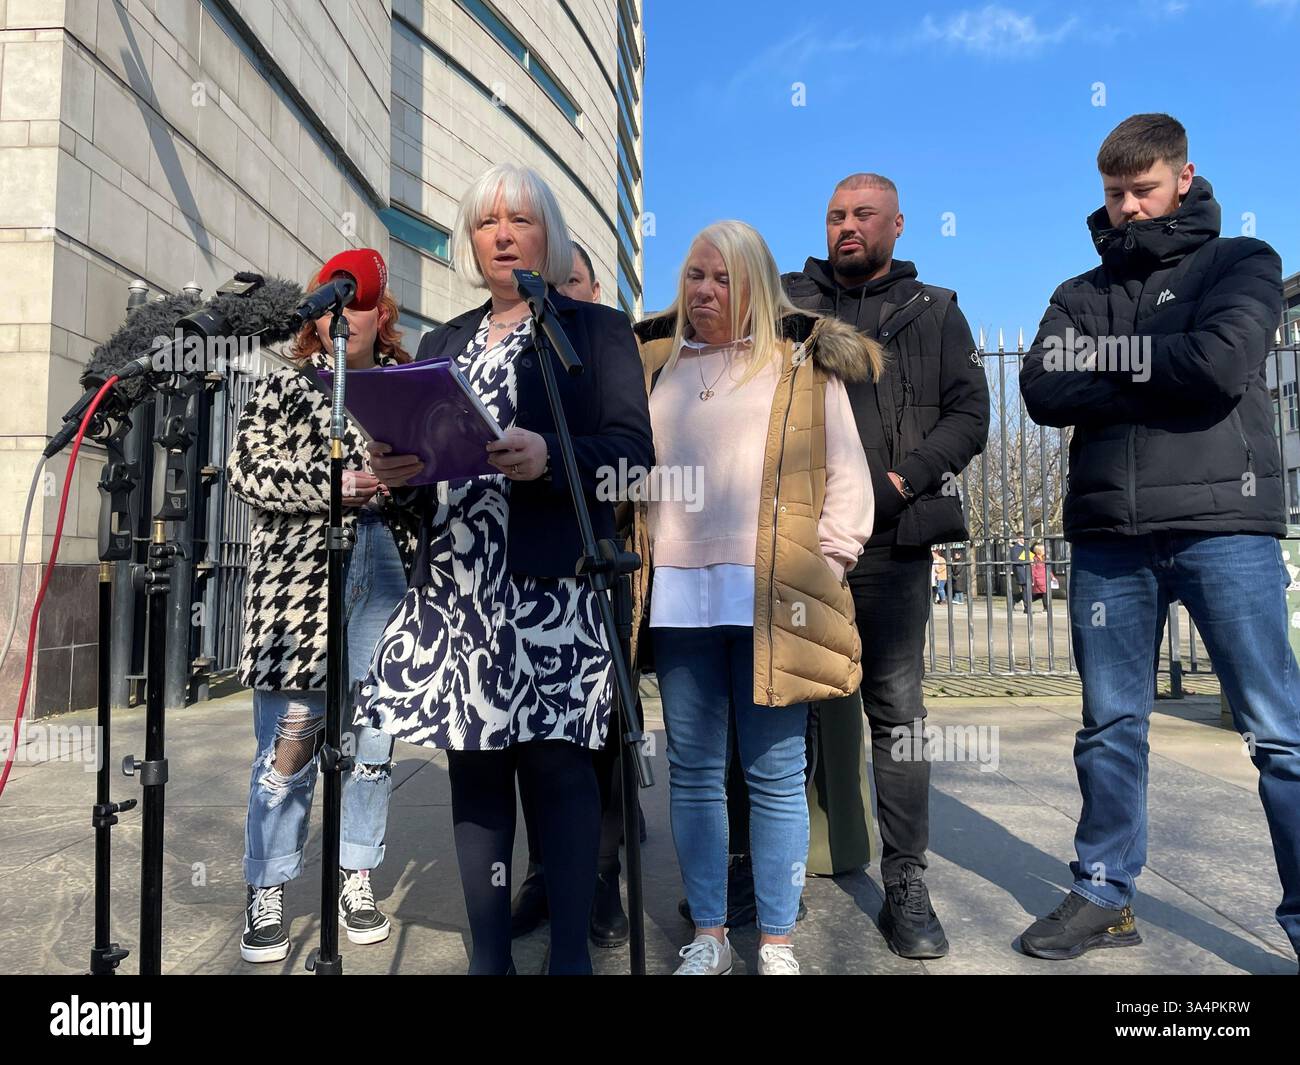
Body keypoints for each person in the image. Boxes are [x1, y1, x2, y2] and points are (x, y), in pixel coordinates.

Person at [1019, 113, 1299, 966]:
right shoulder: (1078, 291)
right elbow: (1039, 388)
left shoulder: (1242, 261)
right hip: (1110, 535)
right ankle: (1104, 890)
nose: (1128, 208)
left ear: (1183, 177)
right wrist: (1157, 365)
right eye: (1113, 194)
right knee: (1109, 724)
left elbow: (1219, 364)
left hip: (1226, 527)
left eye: (1142, 190)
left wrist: (1106, 368)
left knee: (1278, 731)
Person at [359, 164, 653, 975]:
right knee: (476, 772)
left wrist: (550, 456)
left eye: (518, 219)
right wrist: (401, 476)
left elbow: (635, 458)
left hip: (553, 589)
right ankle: (490, 958)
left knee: (559, 771)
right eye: (486, 221)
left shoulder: (594, 331)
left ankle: (569, 956)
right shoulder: (441, 341)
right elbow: (426, 481)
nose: (501, 234)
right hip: (458, 596)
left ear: (547, 235)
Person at [630, 219, 879, 975]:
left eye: (723, 277)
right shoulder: (656, 366)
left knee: (774, 774)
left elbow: (847, 474)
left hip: (775, 597)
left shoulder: (800, 364)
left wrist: (828, 562)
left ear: (755, 285)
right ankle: (708, 931)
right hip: (676, 597)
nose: (704, 290)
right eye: (695, 276)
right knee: (695, 771)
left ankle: (775, 940)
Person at [784, 173, 990, 957]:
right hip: (798, 545)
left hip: (893, 543)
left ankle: (905, 879)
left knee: (897, 716)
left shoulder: (935, 311)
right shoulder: (789, 307)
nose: (846, 226)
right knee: (782, 709)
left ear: (897, 225)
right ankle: (773, 875)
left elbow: (972, 413)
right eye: (835, 214)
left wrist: (899, 482)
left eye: (863, 214)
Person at [227, 251, 409, 963]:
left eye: (360, 303)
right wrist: (334, 482)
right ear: (317, 318)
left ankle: (356, 871)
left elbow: (433, 473)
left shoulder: (401, 385)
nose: (346, 316)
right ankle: (267, 883)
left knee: (371, 736)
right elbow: (248, 469)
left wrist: (406, 480)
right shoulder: (284, 388)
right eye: (334, 304)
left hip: (384, 569)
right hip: (296, 586)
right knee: (290, 741)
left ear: (381, 316)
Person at [509, 239, 645, 949]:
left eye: (571, 282)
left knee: (599, 736)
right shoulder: (528, 363)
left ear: (591, 289)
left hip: (603, 566)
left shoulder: (605, 349)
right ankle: (543, 870)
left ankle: (601, 875)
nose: (558, 294)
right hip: (533, 574)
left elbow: (635, 461)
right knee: (540, 738)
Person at [1029, 541, 1048, 611]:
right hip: (1039, 579)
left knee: (1042, 593)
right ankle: (1046, 607)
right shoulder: (1034, 559)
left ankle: (1026, 599)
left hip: (1045, 578)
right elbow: (1033, 570)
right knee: (1044, 592)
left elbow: (1047, 568)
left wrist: (1052, 577)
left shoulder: (1044, 558)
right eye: (1043, 550)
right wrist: (1033, 579)